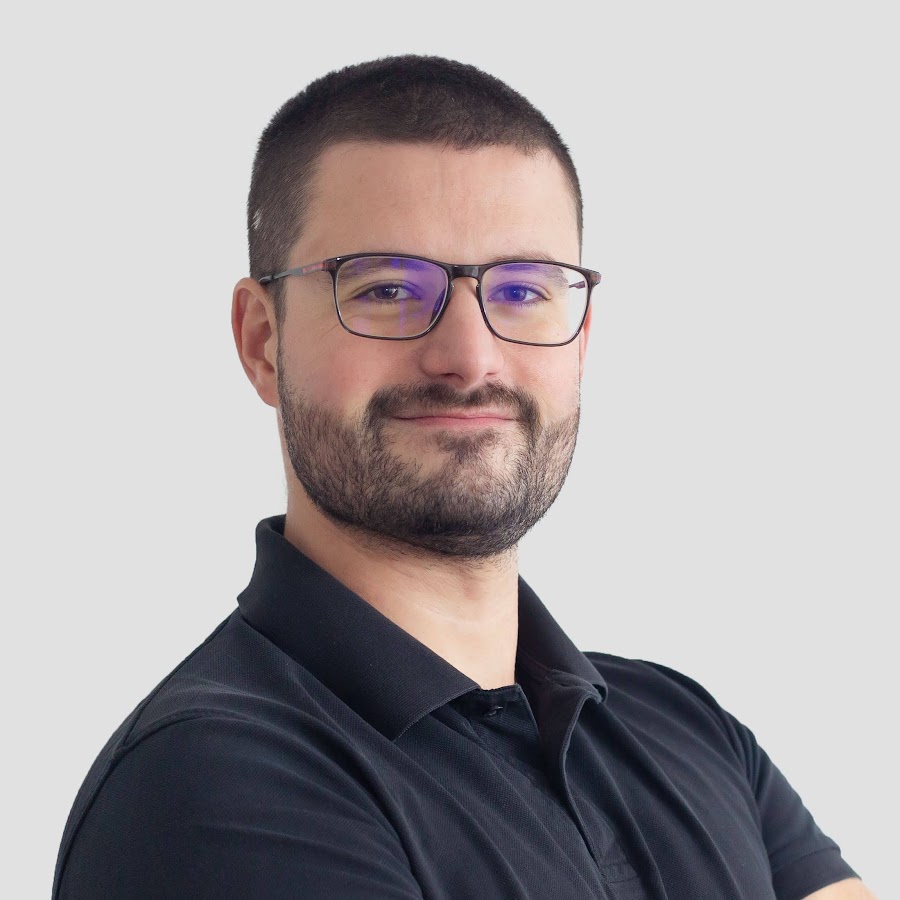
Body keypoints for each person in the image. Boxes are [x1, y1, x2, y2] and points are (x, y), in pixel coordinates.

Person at [53, 55, 874, 899]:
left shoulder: (688, 730)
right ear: (264, 341)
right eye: (386, 289)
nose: (471, 359)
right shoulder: (212, 785)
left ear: (582, 338)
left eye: (523, 291)